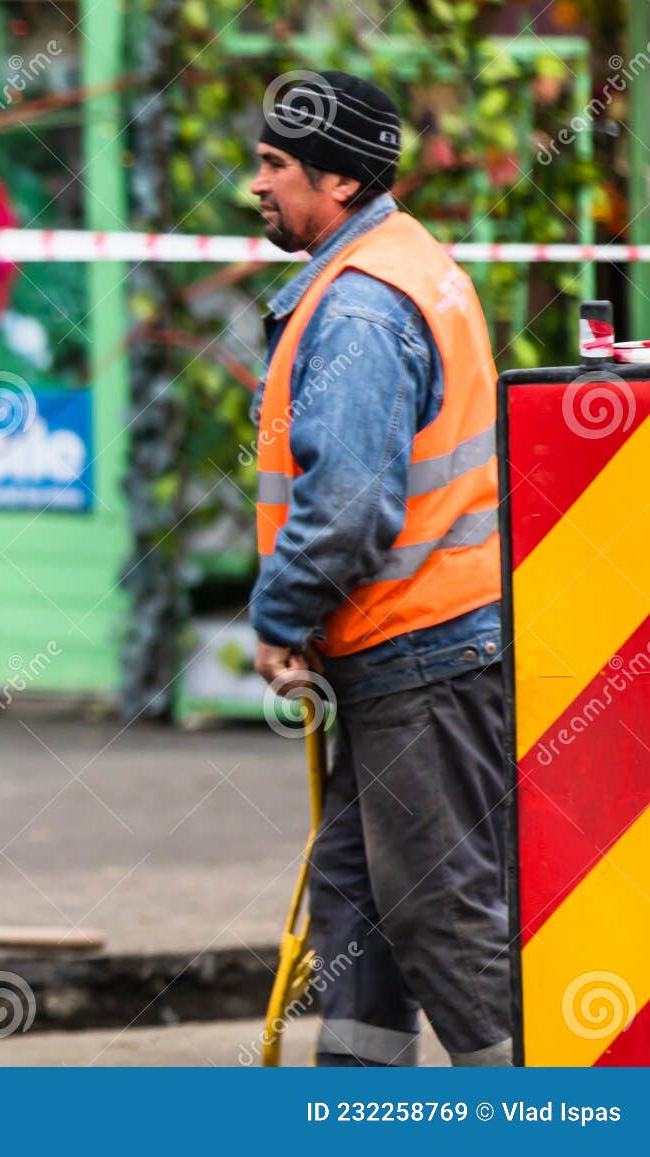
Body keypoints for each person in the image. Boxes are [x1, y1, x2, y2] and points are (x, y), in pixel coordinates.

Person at [249, 70, 510, 1065]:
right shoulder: (406, 263)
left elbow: (348, 503)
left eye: (276, 166)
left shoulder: (359, 308)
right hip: (413, 644)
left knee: (436, 909)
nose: (257, 185)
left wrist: (279, 617)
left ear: (341, 182)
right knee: (358, 902)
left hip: (418, 646)